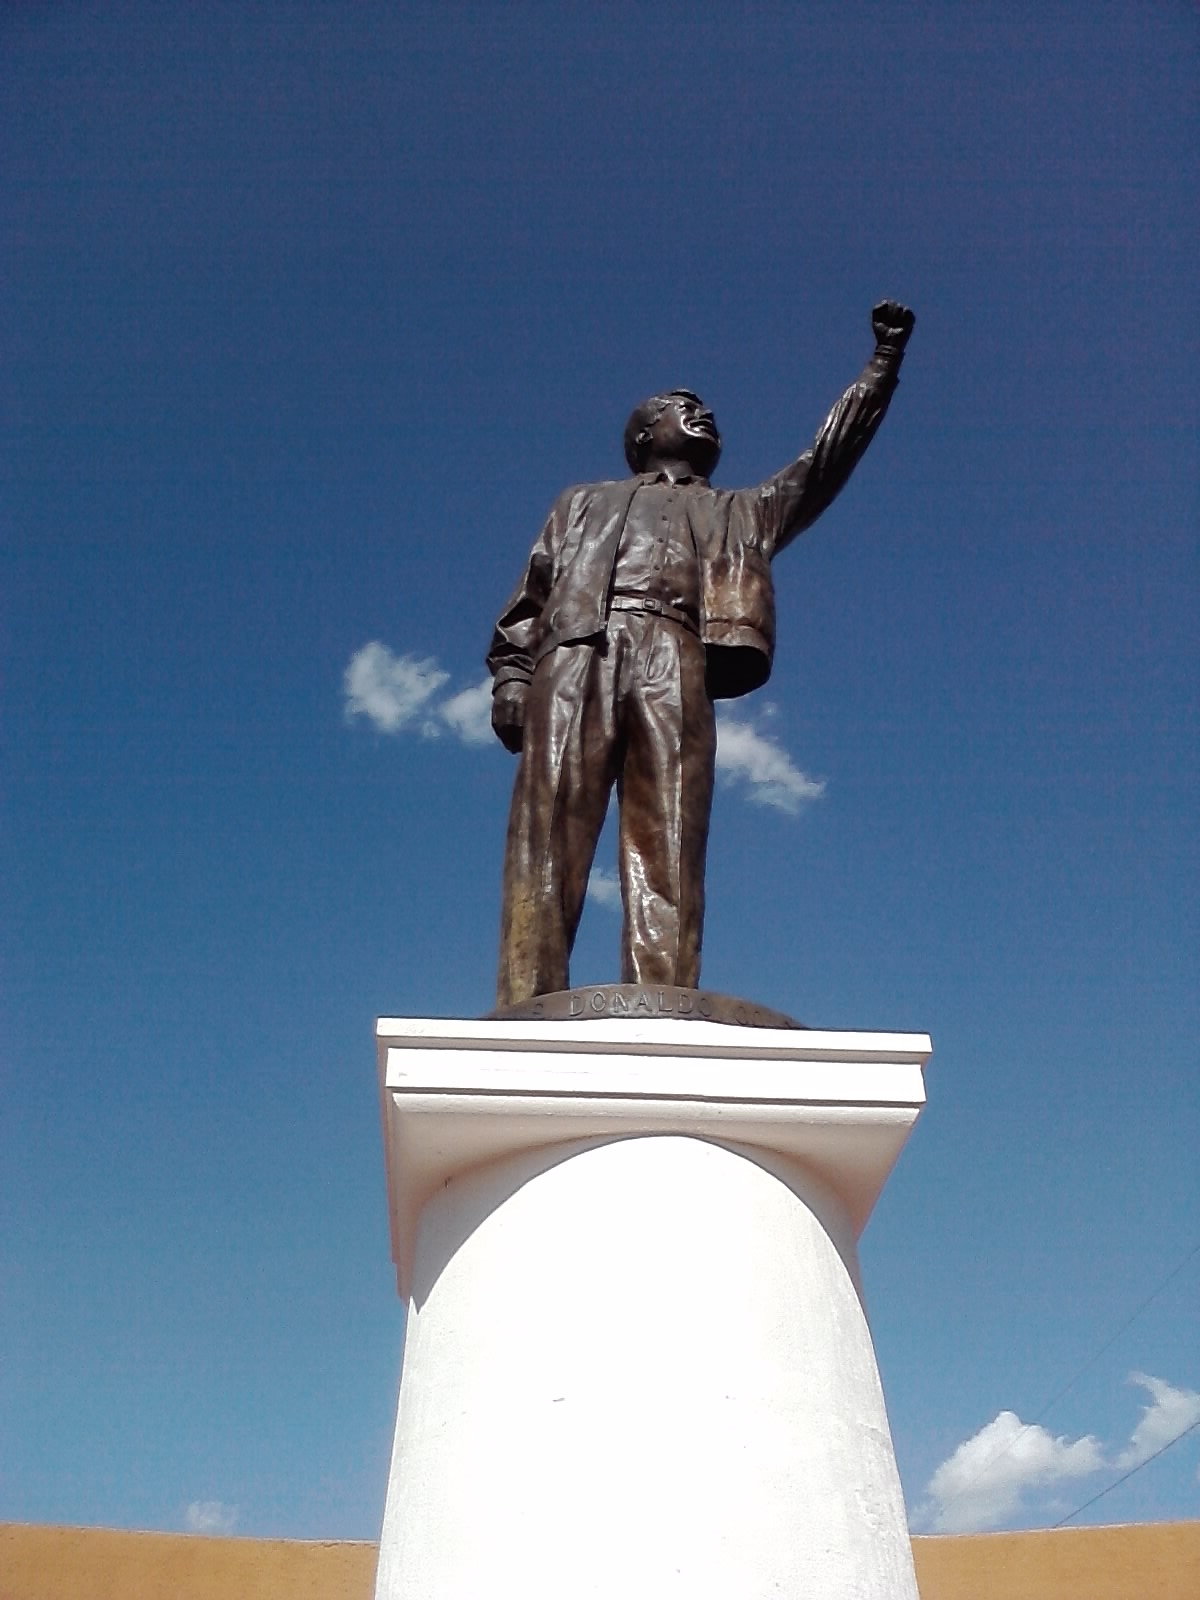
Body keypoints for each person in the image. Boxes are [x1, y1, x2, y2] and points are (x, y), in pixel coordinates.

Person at [487, 300, 915, 1009]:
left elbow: (824, 462)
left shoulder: (740, 512)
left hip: (676, 654)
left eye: (706, 407)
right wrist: (511, 678)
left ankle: (662, 999)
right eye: (683, 406)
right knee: (548, 833)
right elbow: (528, 602)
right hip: (575, 657)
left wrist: (881, 367)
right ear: (643, 433)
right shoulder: (581, 502)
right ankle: (527, 999)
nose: (704, 413)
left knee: (671, 838)